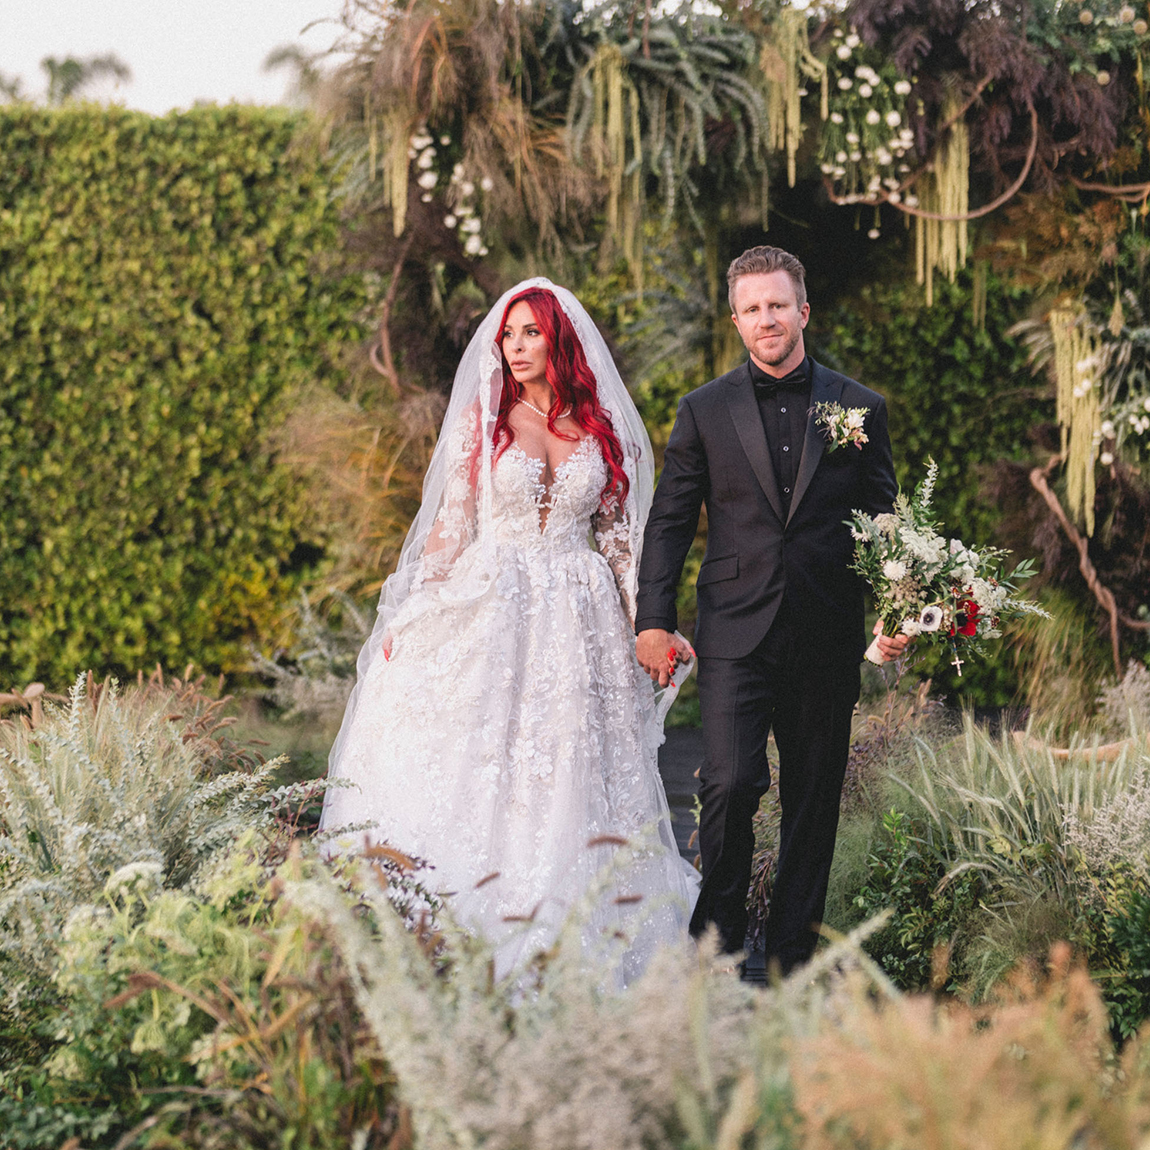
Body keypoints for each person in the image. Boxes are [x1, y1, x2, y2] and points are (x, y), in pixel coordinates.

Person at [320, 279, 698, 983]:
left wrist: (651, 628)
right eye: (508, 334)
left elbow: (622, 549)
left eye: (529, 333)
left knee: (570, 771)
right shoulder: (486, 420)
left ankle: (572, 926)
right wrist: (410, 614)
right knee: (487, 760)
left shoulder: (601, 432)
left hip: (578, 617)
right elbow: (449, 528)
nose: (515, 347)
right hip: (494, 606)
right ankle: (468, 926)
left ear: (559, 341)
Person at [634, 245, 907, 976]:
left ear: (803, 311)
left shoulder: (861, 408)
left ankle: (790, 960)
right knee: (727, 783)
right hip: (735, 631)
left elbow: (886, 522)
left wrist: (900, 605)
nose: (767, 319)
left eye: (778, 305)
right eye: (752, 309)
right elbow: (668, 523)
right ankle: (716, 948)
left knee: (812, 803)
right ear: (736, 320)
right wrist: (653, 622)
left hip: (825, 633)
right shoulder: (703, 411)